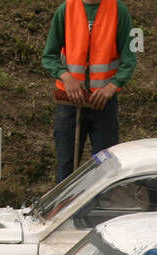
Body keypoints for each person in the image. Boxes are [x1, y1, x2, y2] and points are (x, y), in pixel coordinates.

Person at [42, 1, 137, 182]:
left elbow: (129, 59)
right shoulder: (66, 10)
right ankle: (65, 207)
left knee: (106, 168)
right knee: (66, 166)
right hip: (69, 103)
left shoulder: (119, 11)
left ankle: (101, 206)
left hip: (104, 103)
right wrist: (66, 77)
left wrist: (112, 87)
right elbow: (49, 56)